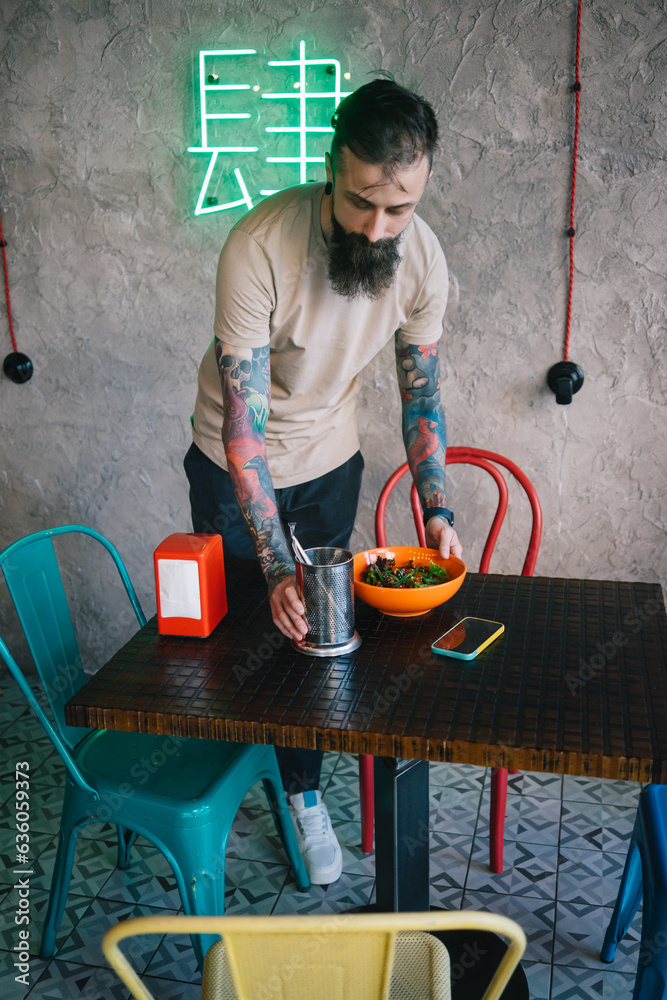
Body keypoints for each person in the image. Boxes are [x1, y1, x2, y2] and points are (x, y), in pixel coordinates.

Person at [184, 78, 463, 885]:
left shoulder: (422, 257)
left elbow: (422, 394)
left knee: (322, 631)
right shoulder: (258, 245)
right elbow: (244, 431)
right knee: (257, 628)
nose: (378, 228)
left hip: (331, 461)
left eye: (399, 208)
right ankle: (267, 780)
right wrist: (275, 564)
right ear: (330, 168)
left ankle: (301, 785)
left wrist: (436, 506)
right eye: (360, 202)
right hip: (234, 467)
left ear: (422, 186)